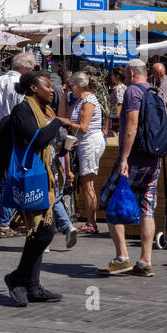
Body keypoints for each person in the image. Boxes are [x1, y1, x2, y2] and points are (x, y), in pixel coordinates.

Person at [2, 71, 65, 306]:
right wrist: (59, 122)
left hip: (44, 177)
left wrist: (65, 148)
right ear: (32, 89)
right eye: (46, 86)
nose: (51, 90)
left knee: (39, 233)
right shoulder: (23, 111)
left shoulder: (46, 111)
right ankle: (18, 277)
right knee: (44, 231)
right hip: (30, 178)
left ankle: (32, 285)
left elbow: (49, 142)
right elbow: (37, 140)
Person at [97, 59, 162, 277]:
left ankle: (122, 257)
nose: (124, 77)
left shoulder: (133, 92)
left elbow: (132, 126)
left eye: (126, 73)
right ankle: (145, 261)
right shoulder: (155, 92)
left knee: (110, 199)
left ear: (132, 74)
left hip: (133, 158)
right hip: (153, 158)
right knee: (147, 207)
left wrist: (124, 158)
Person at [0, 52, 38, 238]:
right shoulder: (19, 85)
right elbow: (20, 115)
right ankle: (4, 225)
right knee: (7, 183)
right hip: (8, 138)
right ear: (26, 68)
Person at [67, 72, 105, 235]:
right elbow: (65, 115)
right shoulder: (80, 101)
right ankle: (90, 220)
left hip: (90, 142)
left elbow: (83, 127)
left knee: (88, 184)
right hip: (86, 142)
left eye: (71, 87)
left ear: (78, 86)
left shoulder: (88, 101)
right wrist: (63, 97)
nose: (70, 90)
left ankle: (91, 222)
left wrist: (66, 123)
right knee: (86, 183)